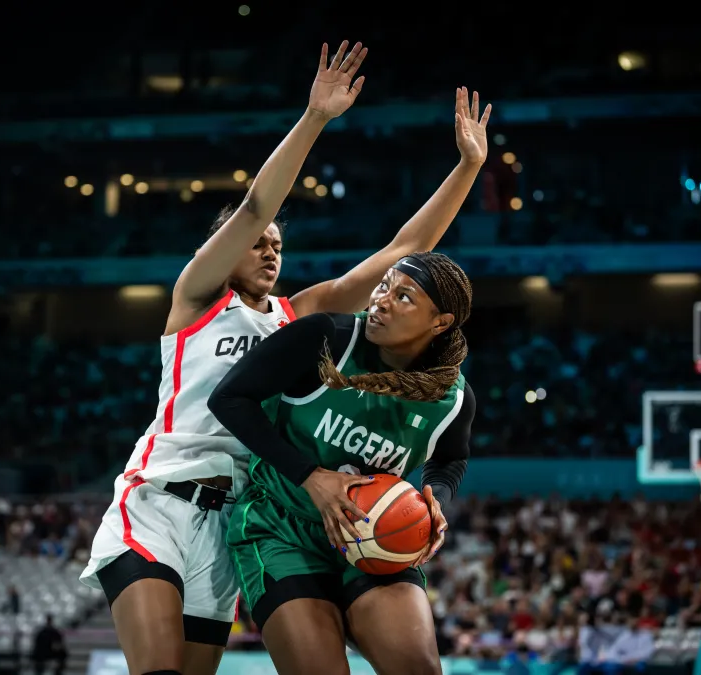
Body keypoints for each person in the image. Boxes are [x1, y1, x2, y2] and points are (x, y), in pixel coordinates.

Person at [80, 38, 491, 675]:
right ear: (223, 248)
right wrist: (315, 118)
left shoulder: (300, 318)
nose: (271, 250)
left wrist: (466, 167)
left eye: (278, 245)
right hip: (161, 494)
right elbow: (254, 206)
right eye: (257, 244)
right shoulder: (195, 301)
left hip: (234, 517)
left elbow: (406, 250)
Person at [208, 251, 478, 675]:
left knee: (418, 669)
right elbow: (228, 398)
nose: (382, 300)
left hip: (376, 537)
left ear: (439, 322)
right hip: (283, 527)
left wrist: (436, 496)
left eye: (404, 297)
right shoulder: (325, 337)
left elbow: (450, 457)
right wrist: (310, 476)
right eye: (384, 285)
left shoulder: (451, 399)